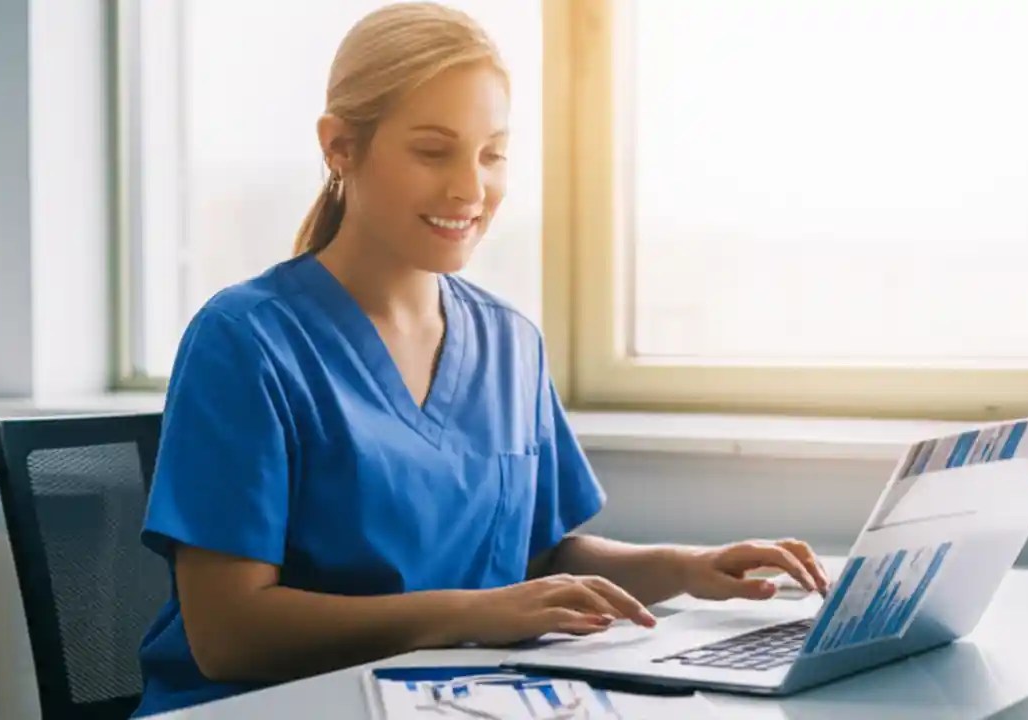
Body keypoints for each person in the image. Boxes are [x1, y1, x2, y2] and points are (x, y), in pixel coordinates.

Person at [133, 3, 830, 716]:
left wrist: (682, 567)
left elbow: (535, 563)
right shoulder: (247, 341)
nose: (471, 188)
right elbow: (228, 635)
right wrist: (469, 614)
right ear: (340, 146)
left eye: (493, 153)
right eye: (434, 151)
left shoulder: (509, 343)